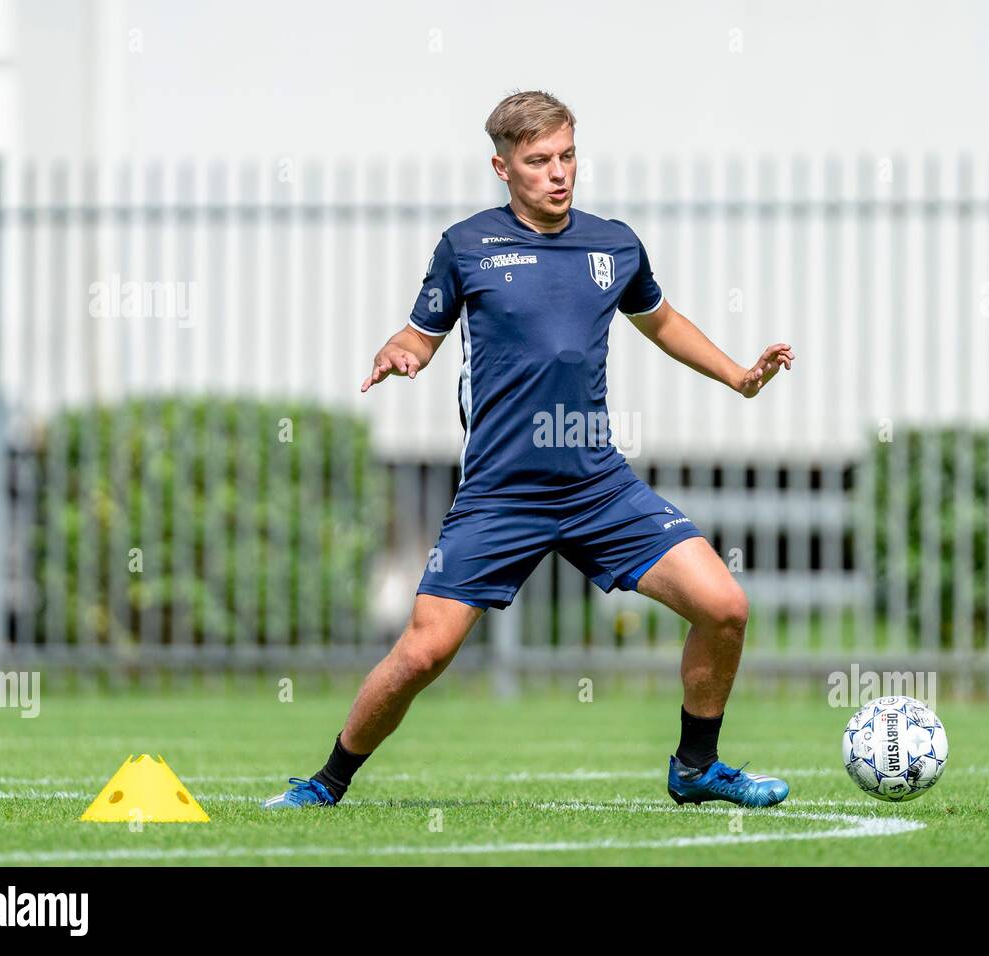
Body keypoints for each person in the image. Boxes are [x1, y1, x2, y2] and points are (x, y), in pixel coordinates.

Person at [263, 90, 794, 811]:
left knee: (724, 605)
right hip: (500, 494)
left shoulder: (613, 244)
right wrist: (402, 350)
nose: (558, 173)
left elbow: (661, 321)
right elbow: (421, 335)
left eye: (568, 156)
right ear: (502, 167)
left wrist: (738, 375)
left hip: (597, 485)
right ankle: (326, 782)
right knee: (423, 652)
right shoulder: (466, 245)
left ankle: (696, 767)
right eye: (539, 160)